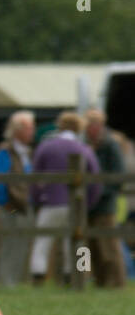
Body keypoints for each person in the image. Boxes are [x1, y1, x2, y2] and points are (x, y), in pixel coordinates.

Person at [29, 112, 101, 286]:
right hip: (76, 204)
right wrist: (88, 203)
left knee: (42, 242)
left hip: (50, 202)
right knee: (77, 243)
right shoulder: (83, 149)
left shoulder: (46, 147)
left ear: (59, 126)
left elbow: (34, 177)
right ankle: (76, 277)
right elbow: (96, 180)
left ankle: (38, 276)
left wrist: (37, 199)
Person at [0, 110, 34, 286]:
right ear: (17, 130)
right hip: (11, 205)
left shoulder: (28, 152)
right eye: (28, 128)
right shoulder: (5, 151)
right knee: (10, 244)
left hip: (26, 204)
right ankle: (7, 282)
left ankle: (21, 281)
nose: (32, 132)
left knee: (24, 244)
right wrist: (2, 201)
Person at [83, 109, 126, 288]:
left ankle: (115, 281)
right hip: (85, 204)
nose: (90, 129)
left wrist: (100, 192)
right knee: (85, 247)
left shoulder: (110, 145)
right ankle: (90, 280)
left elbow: (118, 175)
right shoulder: (84, 144)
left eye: (94, 124)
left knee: (108, 247)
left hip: (104, 205)